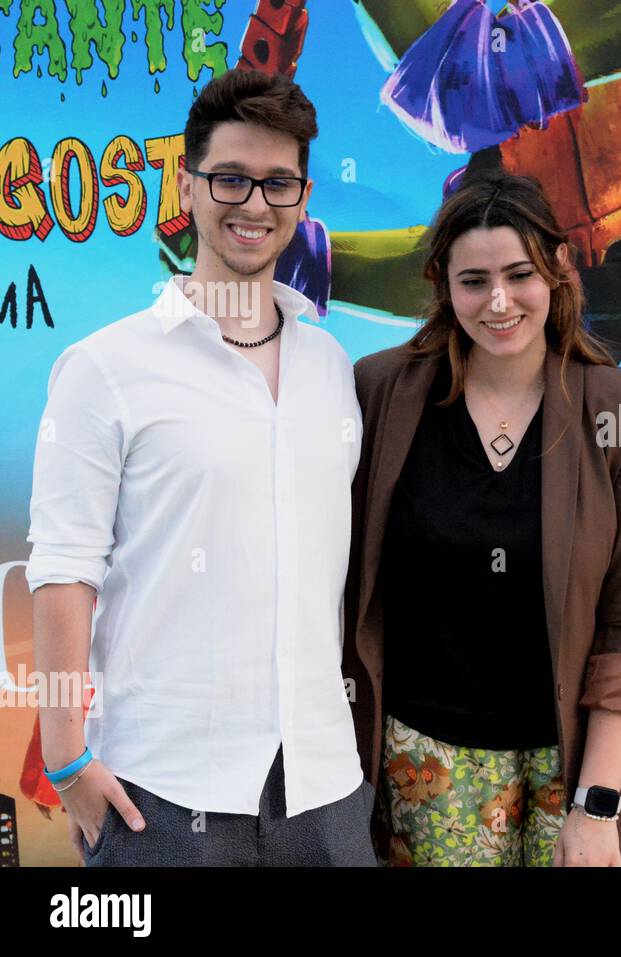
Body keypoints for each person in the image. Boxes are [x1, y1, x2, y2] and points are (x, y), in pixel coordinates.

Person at [27, 69, 376, 866]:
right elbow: (63, 569)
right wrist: (65, 756)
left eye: (278, 184)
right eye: (230, 178)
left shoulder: (333, 369)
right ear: (186, 185)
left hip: (323, 790)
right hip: (158, 790)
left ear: (304, 195)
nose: (255, 205)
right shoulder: (105, 367)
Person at [342, 172, 621, 867]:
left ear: (559, 268)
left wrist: (595, 806)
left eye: (519, 273)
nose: (498, 302)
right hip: (425, 763)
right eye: (474, 280)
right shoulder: (378, 391)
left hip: (587, 769)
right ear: (442, 282)